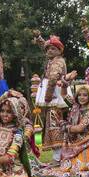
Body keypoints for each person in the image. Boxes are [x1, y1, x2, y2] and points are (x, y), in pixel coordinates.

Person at [31, 31, 69, 161]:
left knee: (54, 126)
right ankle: (58, 156)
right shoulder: (53, 59)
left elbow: (53, 79)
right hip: (54, 98)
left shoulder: (57, 62)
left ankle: (58, 158)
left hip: (55, 98)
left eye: (53, 49)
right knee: (53, 125)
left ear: (59, 51)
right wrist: (39, 38)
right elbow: (46, 46)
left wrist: (47, 96)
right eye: (48, 49)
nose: (49, 51)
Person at [54, 82, 89, 175]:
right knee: (69, 166)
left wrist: (65, 127)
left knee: (80, 167)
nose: (81, 97)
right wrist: (64, 85)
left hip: (86, 142)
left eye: (85, 95)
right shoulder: (75, 106)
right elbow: (64, 94)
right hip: (74, 141)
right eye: (79, 95)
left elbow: (80, 128)